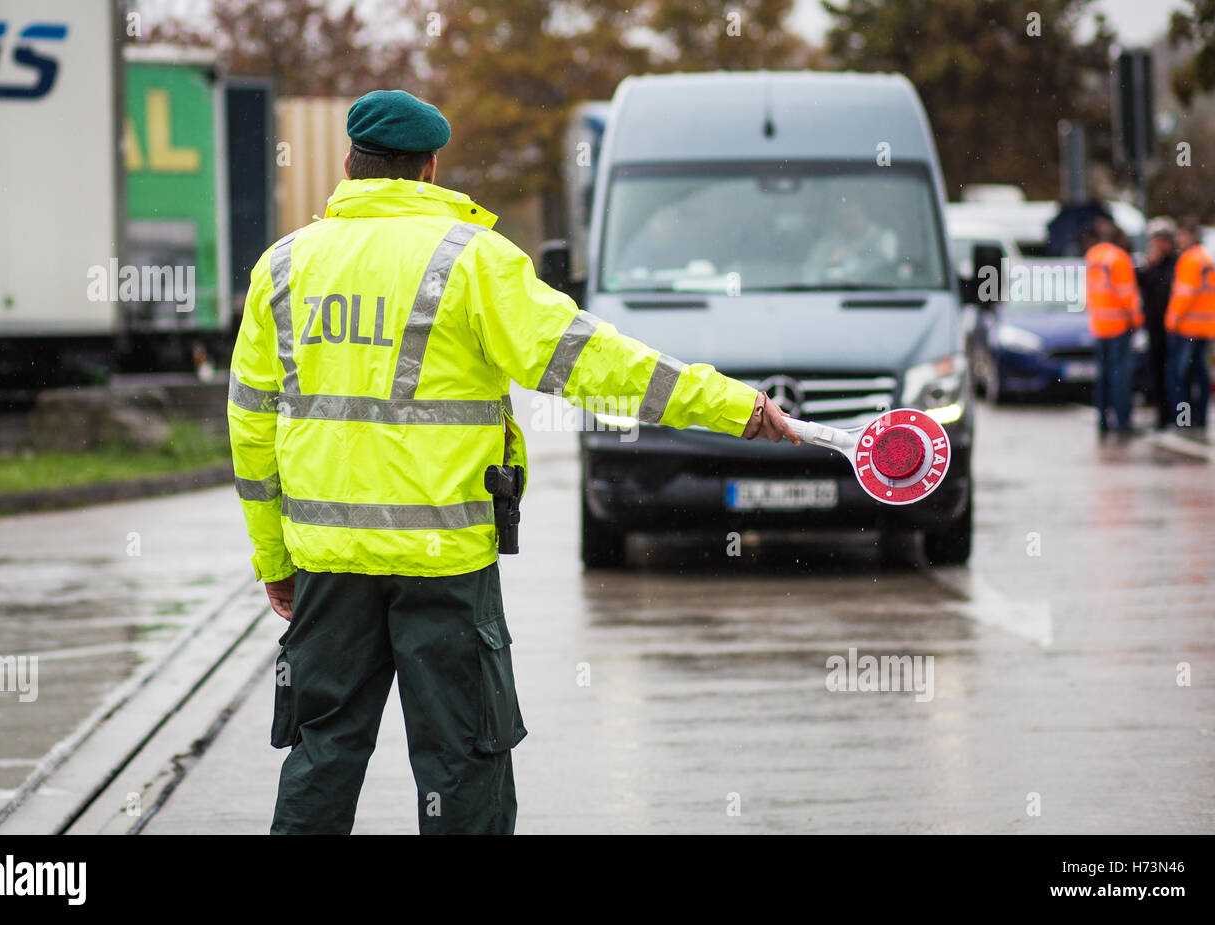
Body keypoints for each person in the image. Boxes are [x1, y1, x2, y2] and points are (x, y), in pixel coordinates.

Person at [226, 89, 800, 836]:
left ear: (349, 166)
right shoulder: (472, 262)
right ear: (430, 167)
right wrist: (731, 407)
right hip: (445, 565)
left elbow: (250, 427)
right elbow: (595, 362)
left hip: (328, 566)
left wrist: (274, 557)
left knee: (321, 754)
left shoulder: (283, 266)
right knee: (465, 758)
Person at [1165, 218, 1215, 432]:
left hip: (1186, 328)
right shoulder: (1207, 260)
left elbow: (1184, 295)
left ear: (1191, 236)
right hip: (1205, 329)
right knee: (1200, 376)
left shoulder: (1190, 260)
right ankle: (1201, 418)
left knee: (1180, 378)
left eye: (1181, 235)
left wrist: (1171, 321)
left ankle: (1183, 420)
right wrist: (1214, 322)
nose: (1178, 240)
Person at [1083, 223, 1143, 437]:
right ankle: (1122, 421)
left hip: (1099, 325)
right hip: (1118, 326)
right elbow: (1127, 294)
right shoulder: (1119, 258)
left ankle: (1102, 419)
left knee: (1103, 376)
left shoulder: (1093, 256)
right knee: (1121, 376)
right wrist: (1136, 320)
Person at [1135, 218, 1178, 429]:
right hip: (1155, 327)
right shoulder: (1151, 265)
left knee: (1178, 375)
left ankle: (1182, 418)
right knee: (1158, 373)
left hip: (1175, 327)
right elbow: (1139, 284)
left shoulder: (1177, 264)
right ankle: (1162, 418)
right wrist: (1148, 265)